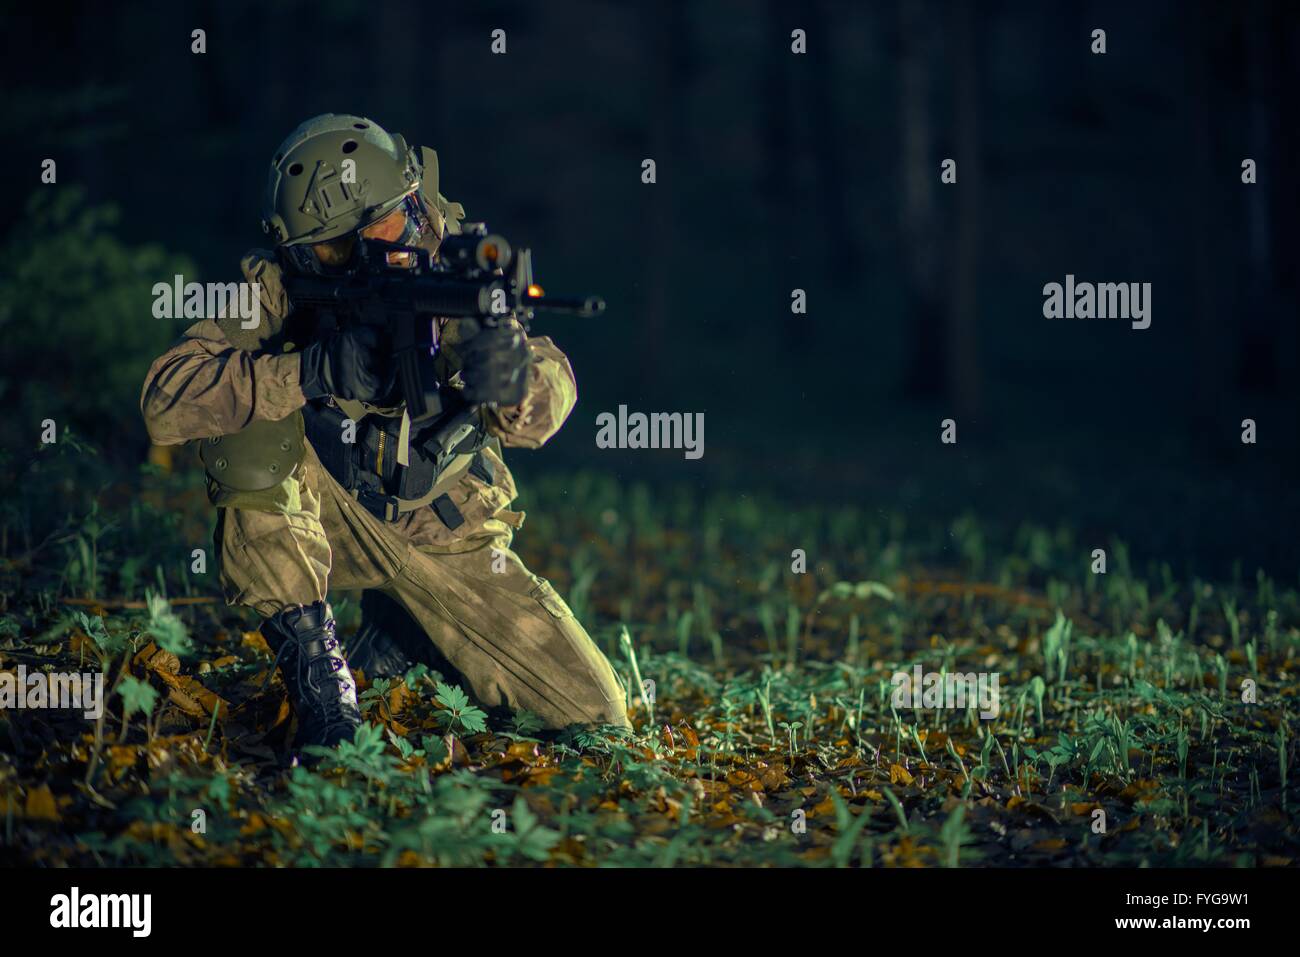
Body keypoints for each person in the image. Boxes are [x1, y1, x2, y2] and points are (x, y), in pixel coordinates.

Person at [140, 113, 628, 753]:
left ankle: (405, 630)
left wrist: (510, 378)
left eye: (387, 225)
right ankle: (322, 688)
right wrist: (304, 370)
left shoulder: (451, 280)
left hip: (446, 531)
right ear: (297, 250)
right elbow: (165, 401)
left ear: (417, 206)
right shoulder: (276, 290)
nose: (373, 251)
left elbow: (541, 398)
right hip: (327, 515)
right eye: (338, 246)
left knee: (593, 715)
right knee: (247, 437)